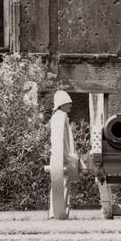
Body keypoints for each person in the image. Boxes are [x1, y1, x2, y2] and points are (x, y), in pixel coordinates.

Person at [48, 89, 80, 220]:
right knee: (62, 184)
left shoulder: (59, 116)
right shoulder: (60, 116)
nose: (71, 105)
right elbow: (59, 139)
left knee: (61, 184)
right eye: (68, 103)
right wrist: (65, 156)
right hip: (61, 156)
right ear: (62, 104)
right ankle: (58, 212)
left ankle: (58, 212)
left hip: (60, 155)